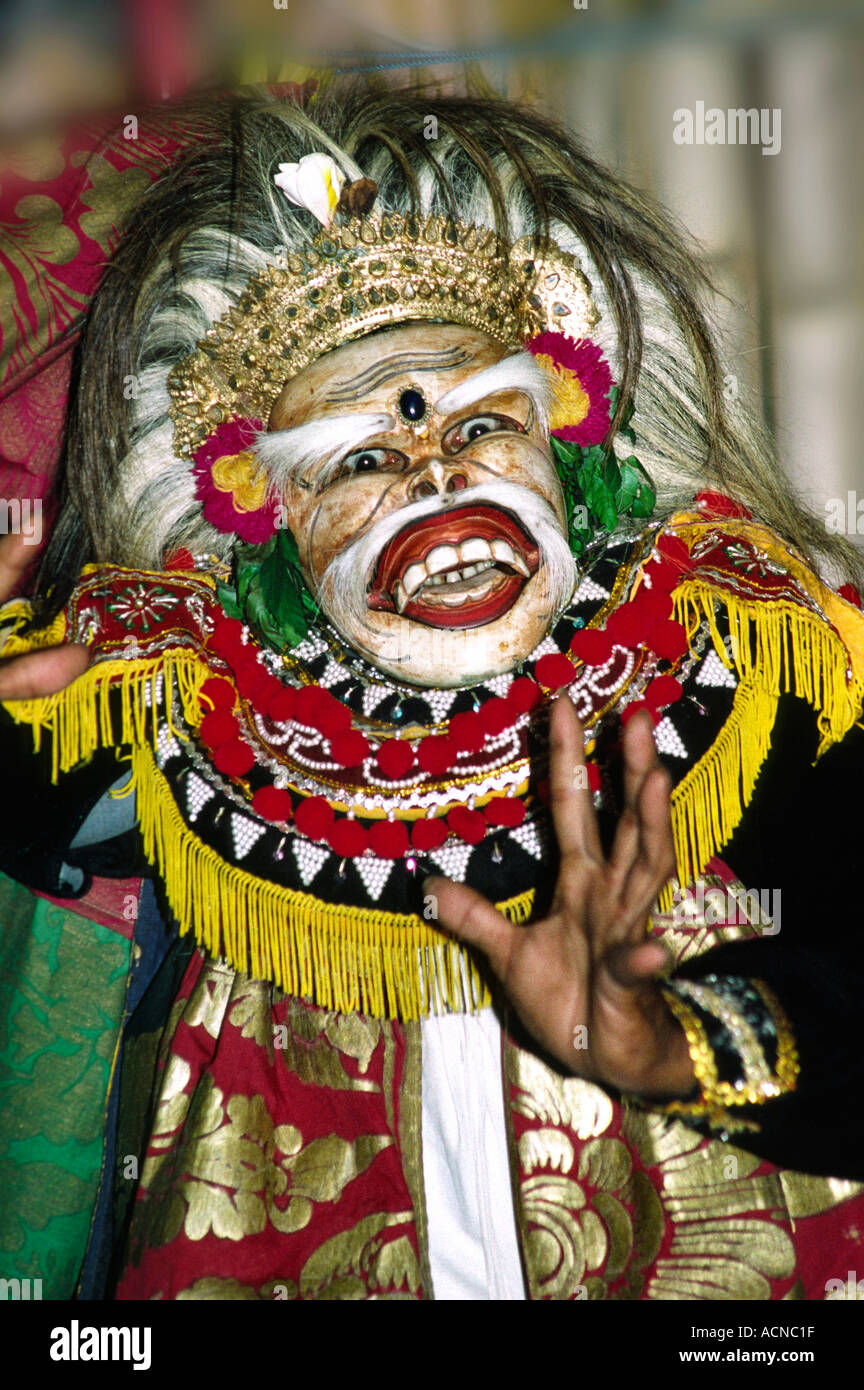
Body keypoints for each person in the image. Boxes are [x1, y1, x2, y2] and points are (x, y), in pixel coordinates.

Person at [1, 83, 864, 1303]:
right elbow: (35, 804)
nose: (435, 478)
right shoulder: (208, 716)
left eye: (481, 426)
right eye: (360, 458)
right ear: (265, 531)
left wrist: (664, 1042)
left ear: (574, 444)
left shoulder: (751, 661)